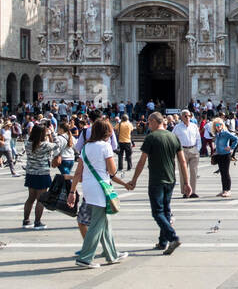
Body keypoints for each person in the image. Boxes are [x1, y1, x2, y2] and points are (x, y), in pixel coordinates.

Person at [127, 111, 190, 254]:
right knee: (166, 210)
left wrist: (134, 180)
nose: (148, 125)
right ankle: (163, 242)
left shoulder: (151, 137)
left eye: (149, 122)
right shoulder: (173, 137)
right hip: (170, 180)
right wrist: (186, 182)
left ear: (155, 121)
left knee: (157, 212)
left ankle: (173, 237)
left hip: (156, 180)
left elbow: (142, 161)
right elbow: (182, 161)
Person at [71, 117, 131, 268]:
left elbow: (78, 172)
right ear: (106, 132)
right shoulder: (105, 147)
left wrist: (72, 191)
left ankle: (111, 254)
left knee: (105, 222)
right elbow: (112, 170)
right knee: (97, 224)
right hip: (100, 188)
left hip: (89, 188)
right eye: (110, 130)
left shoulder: (86, 147)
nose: (112, 132)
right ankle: (84, 258)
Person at [22, 122, 60, 228]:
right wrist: (52, 133)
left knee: (31, 198)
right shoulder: (45, 145)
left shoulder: (27, 143)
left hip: (30, 172)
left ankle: (26, 220)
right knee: (41, 199)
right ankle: (37, 222)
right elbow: (58, 145)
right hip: (42, 173)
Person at [172, 109, 201, 197]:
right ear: (181, 117)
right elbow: (173, 138)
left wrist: (198, 149)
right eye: (185, 115)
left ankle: (193, 191)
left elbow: (198, 138)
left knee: (194, 171)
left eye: (189, 115)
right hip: (182, 150)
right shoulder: (177, 127)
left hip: (193, 149)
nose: (187, 117)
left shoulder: (194, 126)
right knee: (182, 172)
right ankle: (185, 192)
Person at [212, 118, 238, 197]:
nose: (218, 126)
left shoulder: (225, 133)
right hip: (219, 154)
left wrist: (231, 147)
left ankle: (228, 190)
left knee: (226, 172)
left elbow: (236, 139)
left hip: (226, 155)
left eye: (220, 125)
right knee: (222, 173)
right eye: (217, 125)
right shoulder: (217, 134)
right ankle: (224, 190)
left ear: (222, 125)